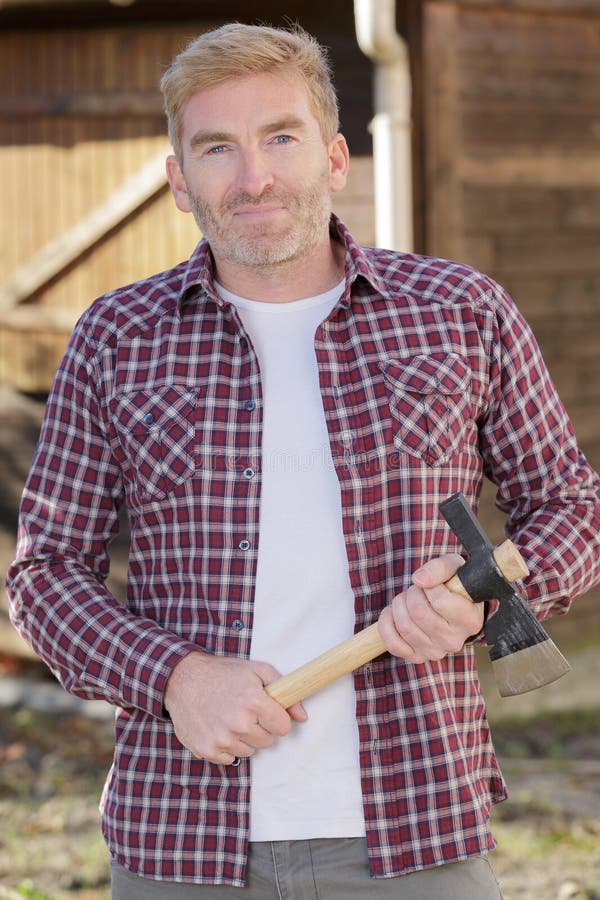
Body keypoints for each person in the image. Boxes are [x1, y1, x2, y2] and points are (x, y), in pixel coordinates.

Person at [6, 21, 600, 899]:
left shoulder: (459, 311)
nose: (254, 178)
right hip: (183, 839)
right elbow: (45, 575)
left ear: (334, 157)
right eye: (217, 148)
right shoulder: (117, 338)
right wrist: (174, 679)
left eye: (280, 137)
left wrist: (482, 602)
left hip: (418, 830)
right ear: (178, 179)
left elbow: (572, 506)